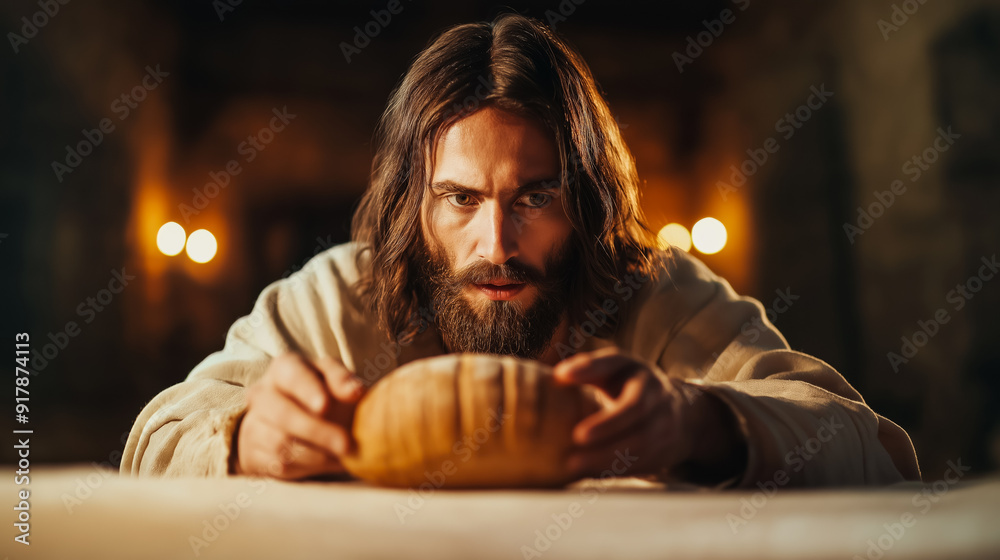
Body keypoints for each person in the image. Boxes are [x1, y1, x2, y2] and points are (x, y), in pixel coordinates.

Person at [122, 13, 921, 488]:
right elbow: (152, 445)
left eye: (536, 197)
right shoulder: (337, 299)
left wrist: (699, 424)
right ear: (411, 204)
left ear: (588, 202)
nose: (497, 244)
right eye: (460, 199)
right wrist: (241, 438)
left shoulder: (658, 296)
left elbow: (876, 451)